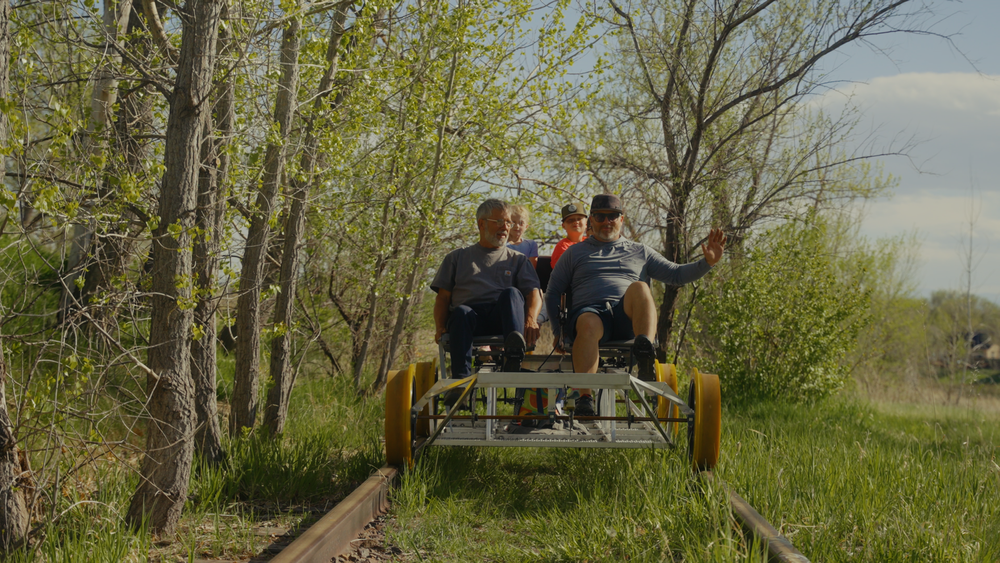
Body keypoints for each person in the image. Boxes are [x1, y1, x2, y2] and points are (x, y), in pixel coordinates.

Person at [545, 194, 726, 416]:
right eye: (600, 216)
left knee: (640, 287)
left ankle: (645, 351)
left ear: (621, 219)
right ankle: (585, 397)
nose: (606, 221)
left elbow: (676, 275)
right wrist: (557, 330)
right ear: (591, 220)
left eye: (612, 216)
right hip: (590, 316)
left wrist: (706, 263)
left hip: (627, 318)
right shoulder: (574, 253)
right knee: (589, 322)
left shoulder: (640, 251)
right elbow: (553, 292)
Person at [431, 199, 542, 381]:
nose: (506, 227)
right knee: (460, 312)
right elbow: (442, 298)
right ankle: (460, 382)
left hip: (503, 319)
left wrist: (531, 319)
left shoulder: (518, 259)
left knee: (512, 293)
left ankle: (512, 357)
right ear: (481, 223)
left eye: (508, 222)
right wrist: (440, 327)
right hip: (469, 320)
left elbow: (534, 293)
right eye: (499, 222)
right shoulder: (457, 258)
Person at [550, 201, 587, 267]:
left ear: (586, 223)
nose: (576, 222)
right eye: (570, 220)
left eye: (579, 219)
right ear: (563, 226)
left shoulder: (592, 242)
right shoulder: (562, 246)